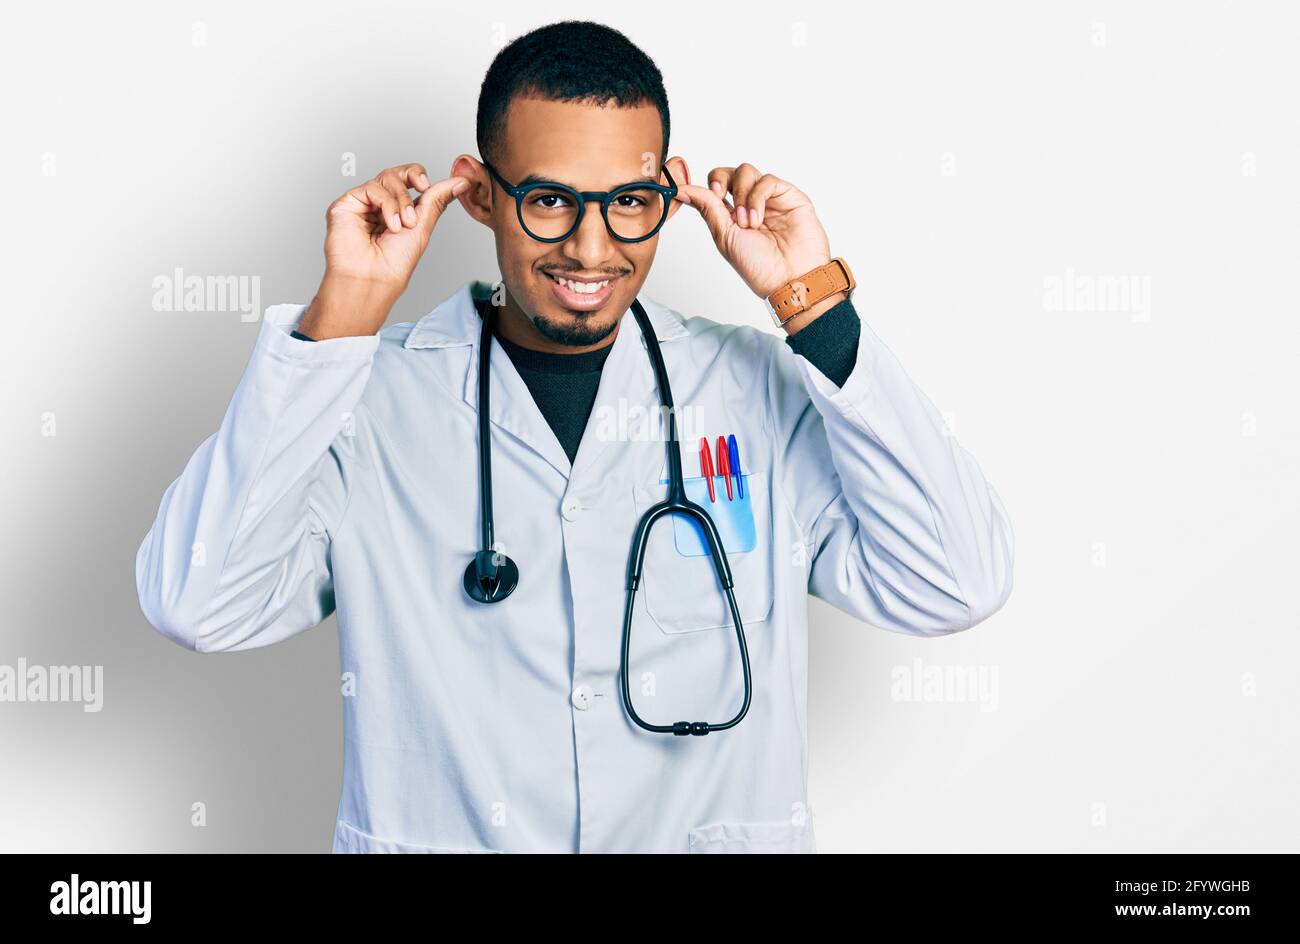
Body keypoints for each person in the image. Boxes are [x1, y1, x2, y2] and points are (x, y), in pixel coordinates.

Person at [135, 20, 1014, 853]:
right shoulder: (363, 399)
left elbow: (955, 580)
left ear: (669, 192)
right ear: (479, 196)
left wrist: (814, 304)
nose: (592, 249)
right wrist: (344, 316)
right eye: (549, 200)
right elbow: (198, 603)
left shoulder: (755, 389)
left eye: (629, 201)